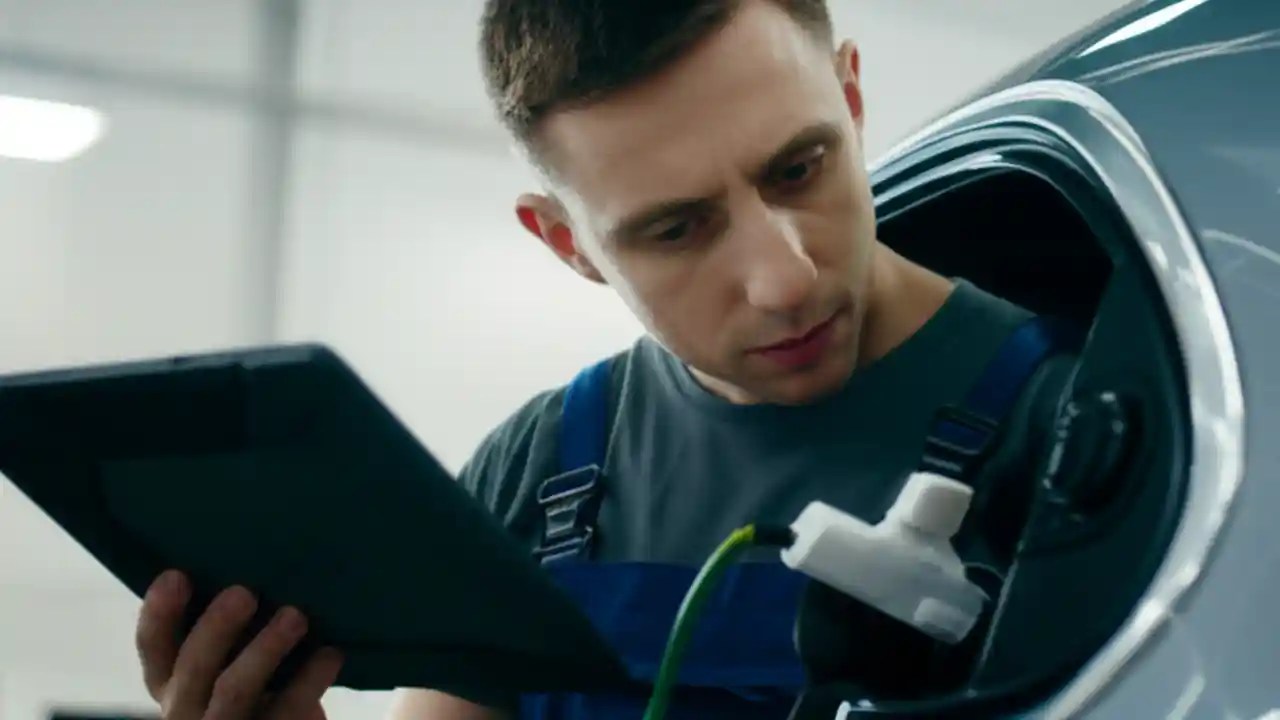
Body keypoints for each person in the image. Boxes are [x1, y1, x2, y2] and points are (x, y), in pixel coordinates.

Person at [132, 1, 1078, 719]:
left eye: (798, 169)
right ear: (567, 243)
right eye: (677, 228)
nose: (782, 282)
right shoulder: (530, 474)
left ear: (854, 97)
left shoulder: (1078, 432)